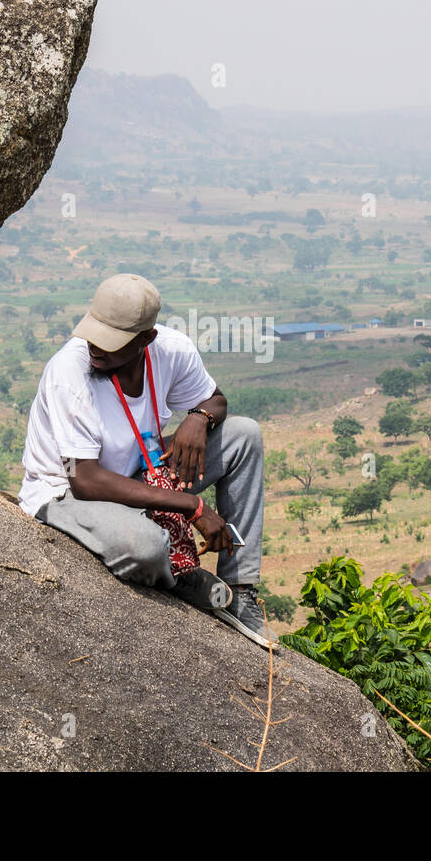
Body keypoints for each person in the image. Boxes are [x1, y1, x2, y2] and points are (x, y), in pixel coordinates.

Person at [18, 273, 275, 649]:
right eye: (93, 334)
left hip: (140, 471)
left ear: (145, 339)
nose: (95, 348)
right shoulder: (68, 371)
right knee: (145, 547)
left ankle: (240, 588)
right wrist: (192, 505)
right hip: (67, 490)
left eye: (110, 341)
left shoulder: (171, 349)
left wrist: (198, 419)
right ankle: (182, 578)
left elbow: (215, 399)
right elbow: (85, 480)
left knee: (244, 435)